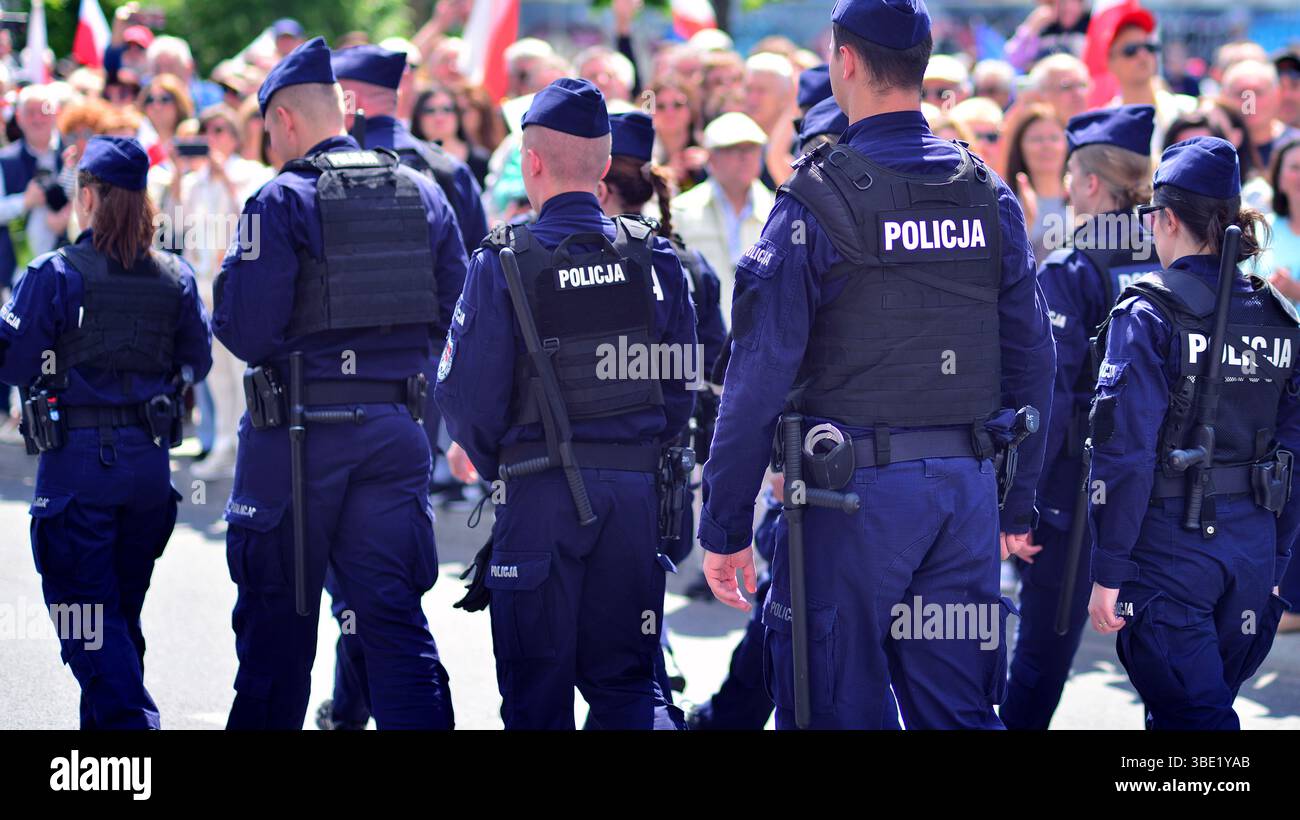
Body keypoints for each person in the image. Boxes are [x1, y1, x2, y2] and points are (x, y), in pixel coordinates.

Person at [698, 0, 1055, 730]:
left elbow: (756, 376)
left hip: (850, 500)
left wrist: (725, 522)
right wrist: (1018, 502)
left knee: (835, 706)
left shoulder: (816, 195)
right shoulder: (987, 192)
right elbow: (1034, 358)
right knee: (957, 712)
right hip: (964, 492)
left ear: (847, 62)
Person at [212, 37, 464, 730]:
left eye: (267, 129)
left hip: (297, 446)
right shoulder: (425, 193)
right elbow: (456, 315)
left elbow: (246, 331)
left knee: (277, 637)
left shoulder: (280, 199)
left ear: (287, 121)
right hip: (394, 433)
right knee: (391, 623)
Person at [434, 78, 696, 730]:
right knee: (626, 688)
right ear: (605, 166)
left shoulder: (503, 260)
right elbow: (681, 387)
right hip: (632, 500)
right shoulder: (654, 256)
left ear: (531, 162)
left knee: (534, 698)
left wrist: (505, 464)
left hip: (539, 494)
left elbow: (466, 398)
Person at [1087, 136, 1300, 729]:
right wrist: (1278, 562)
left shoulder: (1148, 313)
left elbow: (1124, 455)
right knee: (1189, 715)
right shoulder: (1280, 314)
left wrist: (1108, 571)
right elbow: (1298, 451)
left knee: (1198, 727)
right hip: (1252, 557)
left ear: (1169, 218)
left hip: (1168, 554)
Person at [0, 136, 213, 728]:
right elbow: (198, 359)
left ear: (88, 197)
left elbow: (13, 363)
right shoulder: (176, 274)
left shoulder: (55, 273)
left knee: (87, 626)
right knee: (114, 621)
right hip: (147, 470)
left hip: (80, 471)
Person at [1001, 105, 1159, 730]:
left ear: (1090, 184)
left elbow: (1051, 395)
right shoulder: (1173, 254)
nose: (1066, 187)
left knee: (1042, 653)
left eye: (1071, 175)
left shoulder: (1075, 266)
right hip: (1163, 490)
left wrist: (1026, 500)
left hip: (1078, 493)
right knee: (1168, 662)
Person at [670, 112, 775, 320]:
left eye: (751, 148)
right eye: (732, 149)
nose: (744, 157)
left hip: (760, 340)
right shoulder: (681, 211)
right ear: (711, 157)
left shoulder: (777, 211)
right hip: (703, 337)